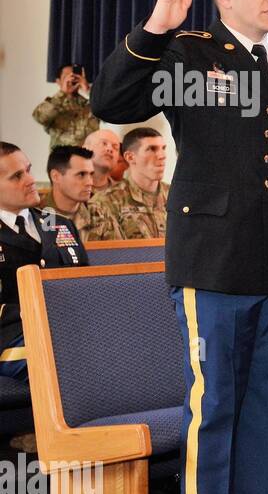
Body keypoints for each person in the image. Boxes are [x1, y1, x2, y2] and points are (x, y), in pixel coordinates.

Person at [92, 0, 268, 494]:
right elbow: (112, 101)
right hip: (213, 257)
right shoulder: (190, 53)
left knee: (267, 400)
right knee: (216, 397)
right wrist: (153, 29)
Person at [0, 143, 89, 382]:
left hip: (70, 327)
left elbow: (85, 282)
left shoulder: (56, 222)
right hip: (12, 337)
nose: (31, 180)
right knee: (71, 361)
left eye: (28, 169)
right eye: (17, 176)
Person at [85, 126, 169, 240]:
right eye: (152, 149)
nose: (162, 156)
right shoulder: (104, 203)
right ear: (130, 157)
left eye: (163, 148)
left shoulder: (178, 196)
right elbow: (101, 254)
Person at [33, 63, 99, 150]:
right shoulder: (54, 104)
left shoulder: (90, 103)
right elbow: (41, 117)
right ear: (58, 81)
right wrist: (63, 93)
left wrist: (88, 90)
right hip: (62, 160)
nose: (71, 79)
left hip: (88, 158)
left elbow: (108, 113)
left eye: (74, 76)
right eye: (66, 77)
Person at [38, 145, 95, 236]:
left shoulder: (98, 213)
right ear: (55, 176)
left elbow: (119, 249)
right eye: (81, 174)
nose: (90, 182)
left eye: (91, 174)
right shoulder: (34, 215)